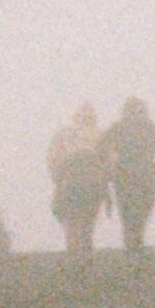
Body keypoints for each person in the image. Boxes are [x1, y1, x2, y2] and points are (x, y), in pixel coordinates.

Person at [105, 98, 155, 255]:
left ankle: (134, 246)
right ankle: (133, 248)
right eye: (134, 110)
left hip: (143, 177)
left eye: (140, 110)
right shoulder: (118, 128)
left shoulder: (150, 128)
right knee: (130, 216)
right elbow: (104, 148)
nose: (137, 114)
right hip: (126, 178)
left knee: (139, 215)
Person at [48, 103, 107, 256]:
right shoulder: (101, 135)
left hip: (69, 183)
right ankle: (85, 256)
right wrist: (105, 182)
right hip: (93, 184)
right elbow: (109, 162)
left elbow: (52, 158)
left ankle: (73, 256)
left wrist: (57, 179)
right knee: (88, 221)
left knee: (71, 221)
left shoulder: (63, 134)